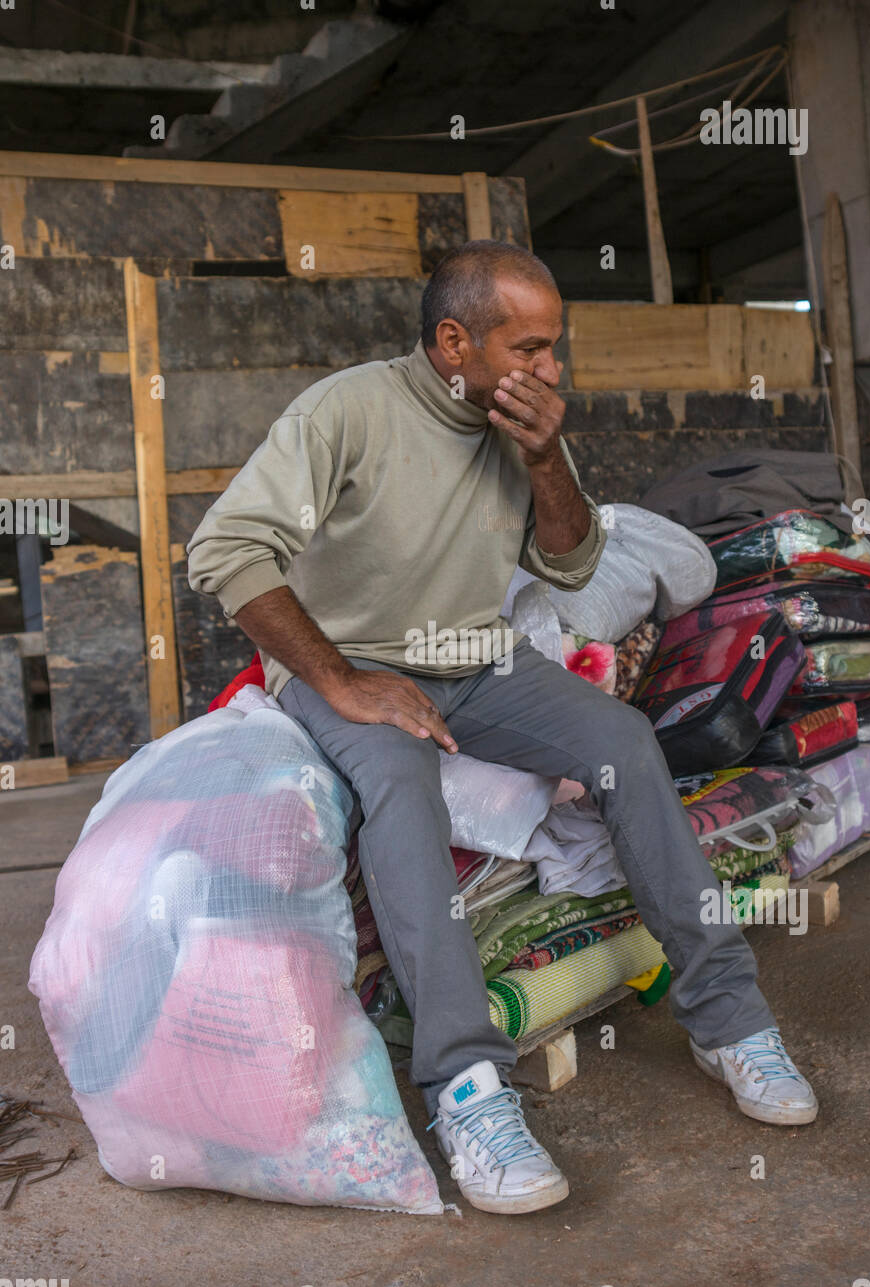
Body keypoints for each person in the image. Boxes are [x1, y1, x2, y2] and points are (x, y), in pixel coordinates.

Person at [187, 240, 818, 1217]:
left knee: (621, 743)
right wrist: (344, 679)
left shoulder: (518, 427)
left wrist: (543, 458)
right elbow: (226, 550)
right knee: (397, 789)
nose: (553, 370)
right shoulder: (347, 413)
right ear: (454, 341)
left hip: (474, 656)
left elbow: (569, 565)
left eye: (554, 346)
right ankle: (466, 1087)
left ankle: (729, 1016)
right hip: (348, 662)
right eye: (531, 347)